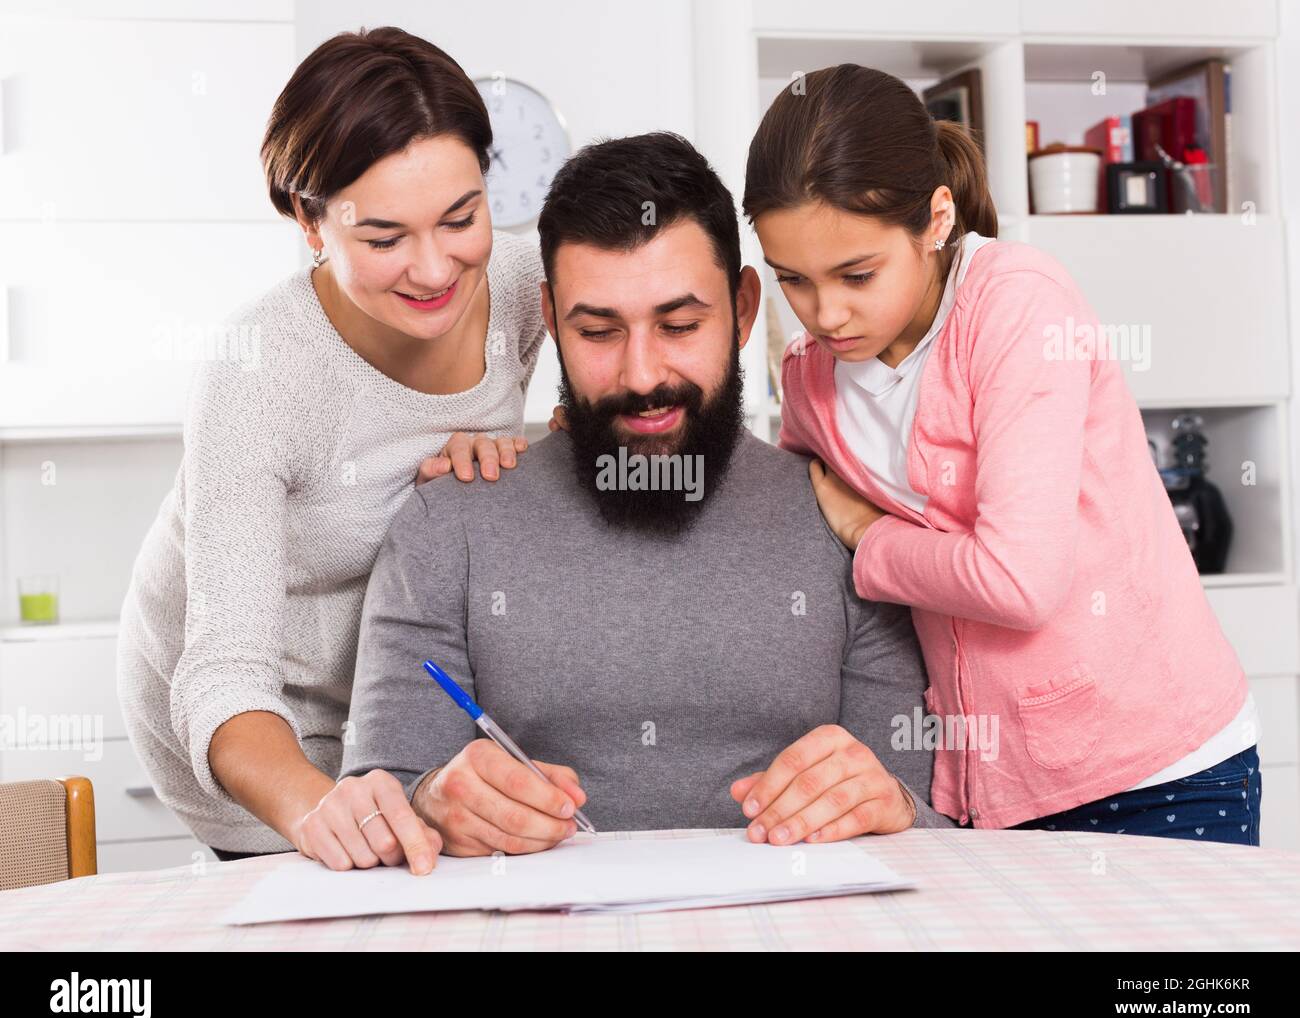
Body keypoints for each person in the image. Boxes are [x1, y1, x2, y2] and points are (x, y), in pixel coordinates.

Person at [339, 132, 953, 860]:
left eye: (681, 325)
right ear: (552, 319)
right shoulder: (447, 526)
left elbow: (924, 823)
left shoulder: (847, 525)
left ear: (744, 307)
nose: (641, 375)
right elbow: (377, 806)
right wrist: (428, 801)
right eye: (597, 331)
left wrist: (891, 805)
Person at [742, 64, 1260, 843]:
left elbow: (1021, 580)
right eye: (795, 281)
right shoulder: (811, 377)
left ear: (936, 219)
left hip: (1160, 766)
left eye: (857, 274)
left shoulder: (1018, 305)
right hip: (985, 789)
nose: (827, 313)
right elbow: (793, 529)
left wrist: (869, 537)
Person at [117, 27, 548, 873]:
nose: (435, 270)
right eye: (384, 239)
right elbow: (222, 682)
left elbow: (622, 366)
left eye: (462, 217)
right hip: (255, 731)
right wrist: (322, 804)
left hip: (398, 705)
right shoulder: (260, 375)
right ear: (308, 221)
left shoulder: (522, 288)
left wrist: (539, 457)